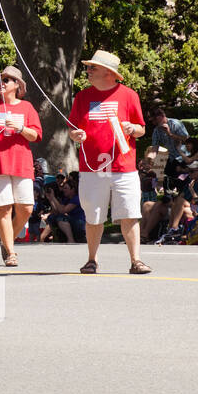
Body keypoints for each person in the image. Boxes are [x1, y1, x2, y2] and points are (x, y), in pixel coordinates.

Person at [68, 49, 150, 274]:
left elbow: (141, 129)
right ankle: (91, 260)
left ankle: (136, 261)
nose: (87, 71)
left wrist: (133, 129)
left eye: (92, 67)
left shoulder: (129, 95)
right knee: (93, 216)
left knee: (130, 213)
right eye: (88, 67)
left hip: (123, 166)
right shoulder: (82, 97)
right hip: (93, 168)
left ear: (108, 73)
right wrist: (76, 135)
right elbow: (73, 128)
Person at [0, 65, 43, 267]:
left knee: (27, 208)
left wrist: (20, 128)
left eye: (6, 80)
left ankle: (6, 240)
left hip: (21, 163)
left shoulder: (27, 108)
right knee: (3, 209)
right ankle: (11, 252)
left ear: (17, 85)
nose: (1, 84)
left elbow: (37, 135)